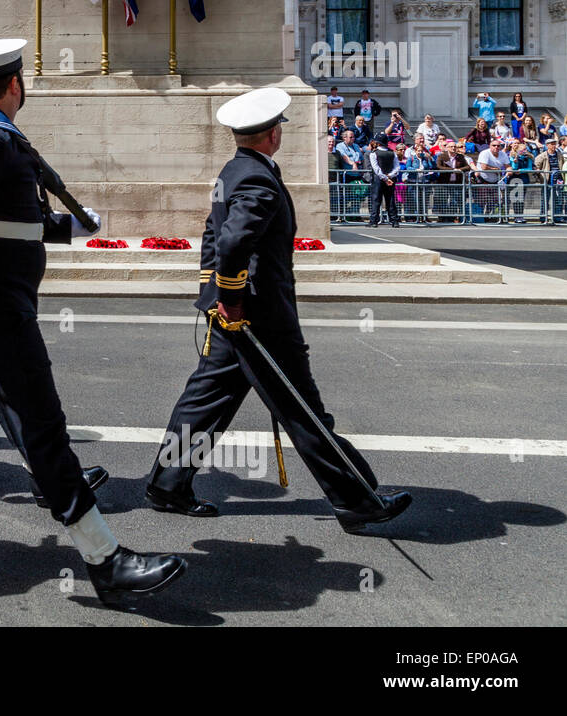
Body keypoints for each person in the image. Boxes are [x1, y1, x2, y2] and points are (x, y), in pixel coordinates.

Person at [0, 37, 183, 603]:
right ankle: (105, 558)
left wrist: (70, 227)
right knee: (42, 426)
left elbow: (10, 218)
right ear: (15, 86)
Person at [147, 85, 410, 535]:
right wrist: (230, 297)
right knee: (302, 407)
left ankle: (168, 484)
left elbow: (212, 237)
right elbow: (230, 242)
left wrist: (214, 292)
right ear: (272, 134)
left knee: (206, 401)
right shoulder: (255, 178)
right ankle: (357, 499)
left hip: (233, 311)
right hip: (257, 314)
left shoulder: (234, 170)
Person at [367, 133, 401, 227]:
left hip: (378, 180)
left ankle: (373, 221)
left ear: (377, 143)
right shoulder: (392, 152)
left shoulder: (374, 153)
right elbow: (397, 167)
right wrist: (390, 176)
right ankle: (394, 221)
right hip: (391, 179)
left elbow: (376, 169)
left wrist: (385, 178)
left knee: (376, 200)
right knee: (390, 200)